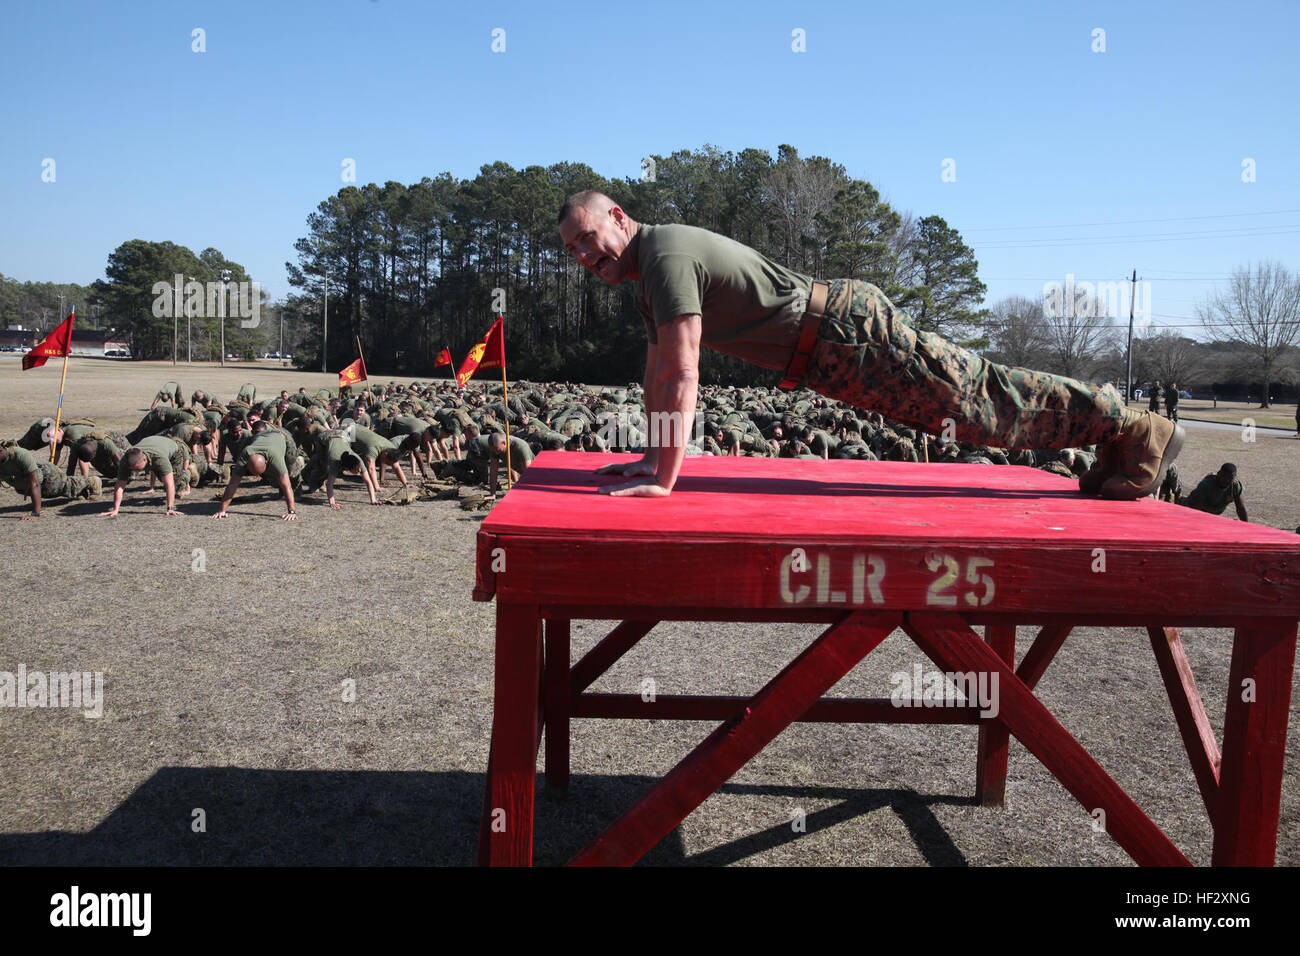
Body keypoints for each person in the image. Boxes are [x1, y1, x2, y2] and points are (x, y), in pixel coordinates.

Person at [557, 190, 1183, 500]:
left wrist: (666, 478)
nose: (585, 256)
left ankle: (1136, 428)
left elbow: (684, 370)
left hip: (848, 334)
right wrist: (647, 454)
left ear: (617, 215)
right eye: (573, 251)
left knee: (977, 400)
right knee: (968, 420)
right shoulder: (647, 278)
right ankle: (1112, 441)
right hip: (830, 354)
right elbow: (655, 373)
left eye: (588, 237)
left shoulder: (665, 255)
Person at [0, 444, 100, 518]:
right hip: (31, 488)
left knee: (69, 487)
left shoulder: (20, 454)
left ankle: (92, 481)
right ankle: (82, 490)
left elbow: (35, 483)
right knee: (69, 491)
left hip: (48, 478)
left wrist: (35, 513)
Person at [102, 436, 193, 517]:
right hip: (154, 444)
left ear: (145, 459)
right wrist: (115, 509)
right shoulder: (125, 461)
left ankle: (189, 472)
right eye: (132, 469)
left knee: (176, 487)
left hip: (174, 449)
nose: (135, 472)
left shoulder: (159, 459)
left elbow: (169, 484)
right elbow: (119, 486)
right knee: (162, 477)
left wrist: (170, 508)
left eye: (137, 469)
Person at [1181, 462, 1248, 522]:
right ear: (1219, 474)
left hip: (1211, 514)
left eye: (1230, 478)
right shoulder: (1207, 484)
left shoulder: (1235, 487)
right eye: (1224, 476)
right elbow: (1196, 507)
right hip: (1190, 507)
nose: (1227, 480)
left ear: (1234, 478)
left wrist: (1246, 526)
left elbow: (1240, 507)